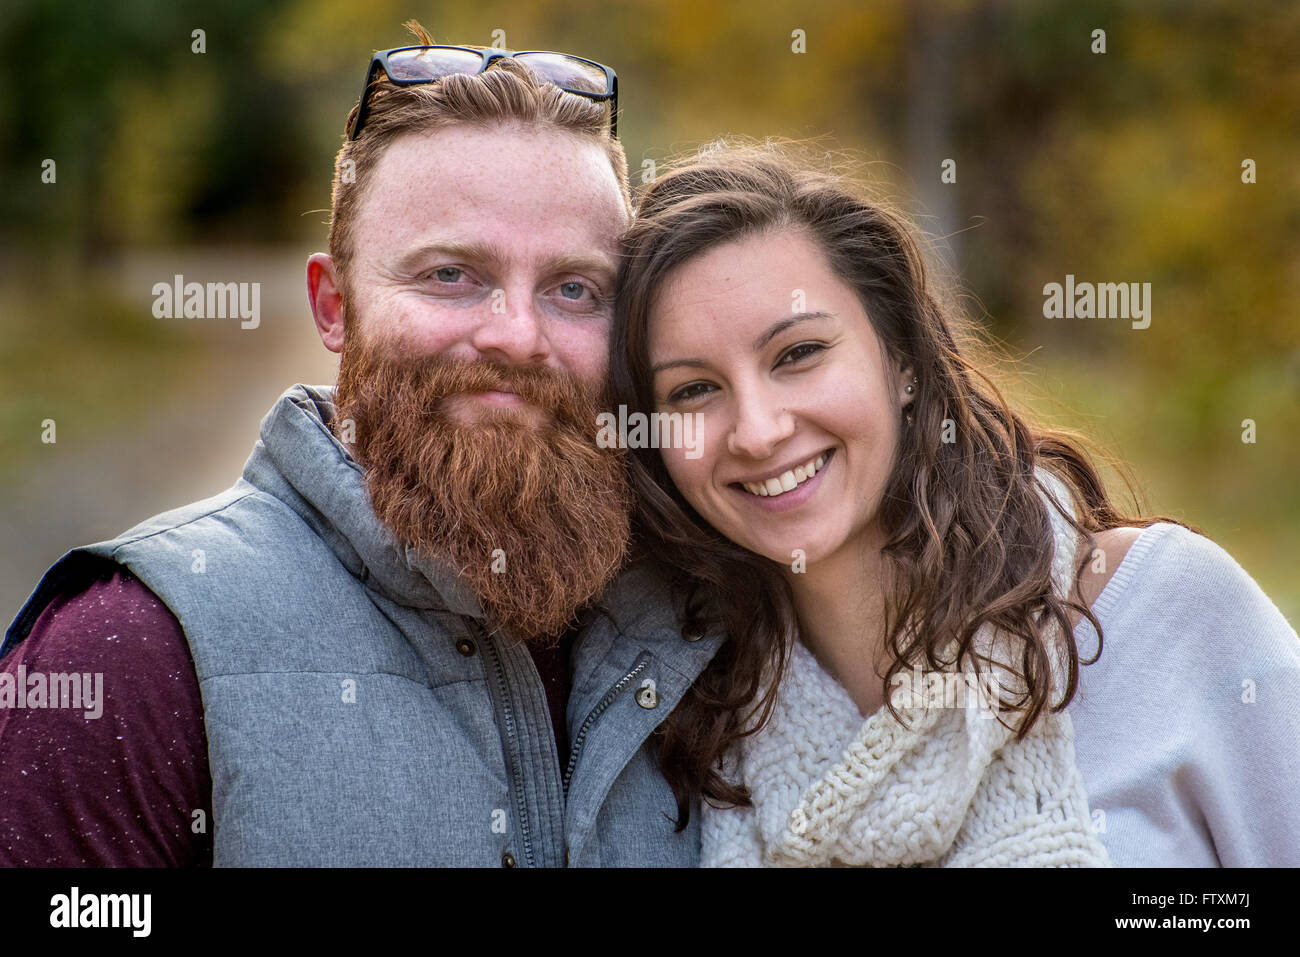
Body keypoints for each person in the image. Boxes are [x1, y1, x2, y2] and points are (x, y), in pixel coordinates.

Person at [0, 23, 725, 867]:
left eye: (575, 288)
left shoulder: (718, 633)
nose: (518, 336)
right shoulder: (127, 656)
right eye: (451, 275)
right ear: (334, 306)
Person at [610, 140, 1300, 867]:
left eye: (798, 354)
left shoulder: (1167, 611)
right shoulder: (689, 725)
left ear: (902, 361)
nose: (756, 430)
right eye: (694, 390)